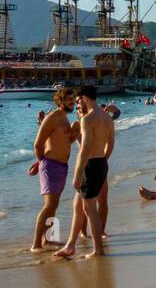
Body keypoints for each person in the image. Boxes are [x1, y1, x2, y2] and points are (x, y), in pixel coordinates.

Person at [54, 85, 114, 259]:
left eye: (80, 100)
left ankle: (98, 250)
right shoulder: (107, 118)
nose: (80, 103)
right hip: (102, 162)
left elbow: (85, 149)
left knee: (89, 209)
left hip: (91, 165)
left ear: (86, 98)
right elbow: (111, 144)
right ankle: (70, 245)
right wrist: (103, 160)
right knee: (79, 205)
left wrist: (77, 173)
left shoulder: (87, 120)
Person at [27, 87, 76, 251]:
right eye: (69, 99)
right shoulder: (53, 117)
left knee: (54, 205)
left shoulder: (65, 118)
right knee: (49, 205)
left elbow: (62, 143)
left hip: (61, 166)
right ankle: (35, 244)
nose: (73, 102)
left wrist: (74, 133)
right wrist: (40, 162)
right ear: (60, 101)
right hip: (51, 165)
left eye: (73, 99)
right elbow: (38, 144)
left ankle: (49, 239)